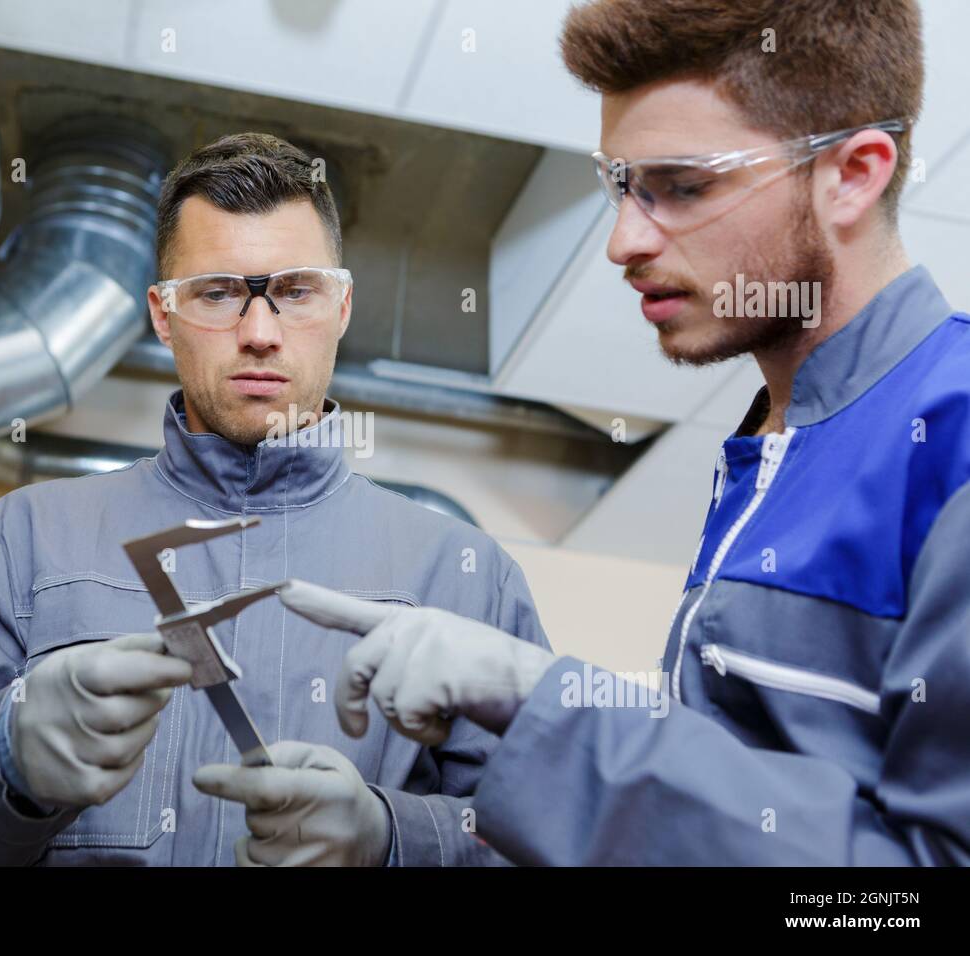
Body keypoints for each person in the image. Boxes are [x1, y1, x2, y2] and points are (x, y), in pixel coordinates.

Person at [223, 0, 970, 865]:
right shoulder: (775, 449)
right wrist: (398, 836)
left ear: (854, 173)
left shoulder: (949, 434)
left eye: (683, 186)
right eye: (621, 185)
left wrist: (551, 705)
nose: (623, 239)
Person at [0, 132, 547, 866]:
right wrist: (2, 755)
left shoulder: (465, 577)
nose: (260, 333)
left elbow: (550, 843)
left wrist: (392, 837)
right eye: (217, 294)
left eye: (296, 292)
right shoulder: (20, 543)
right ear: (161, 314)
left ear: (342, 307)